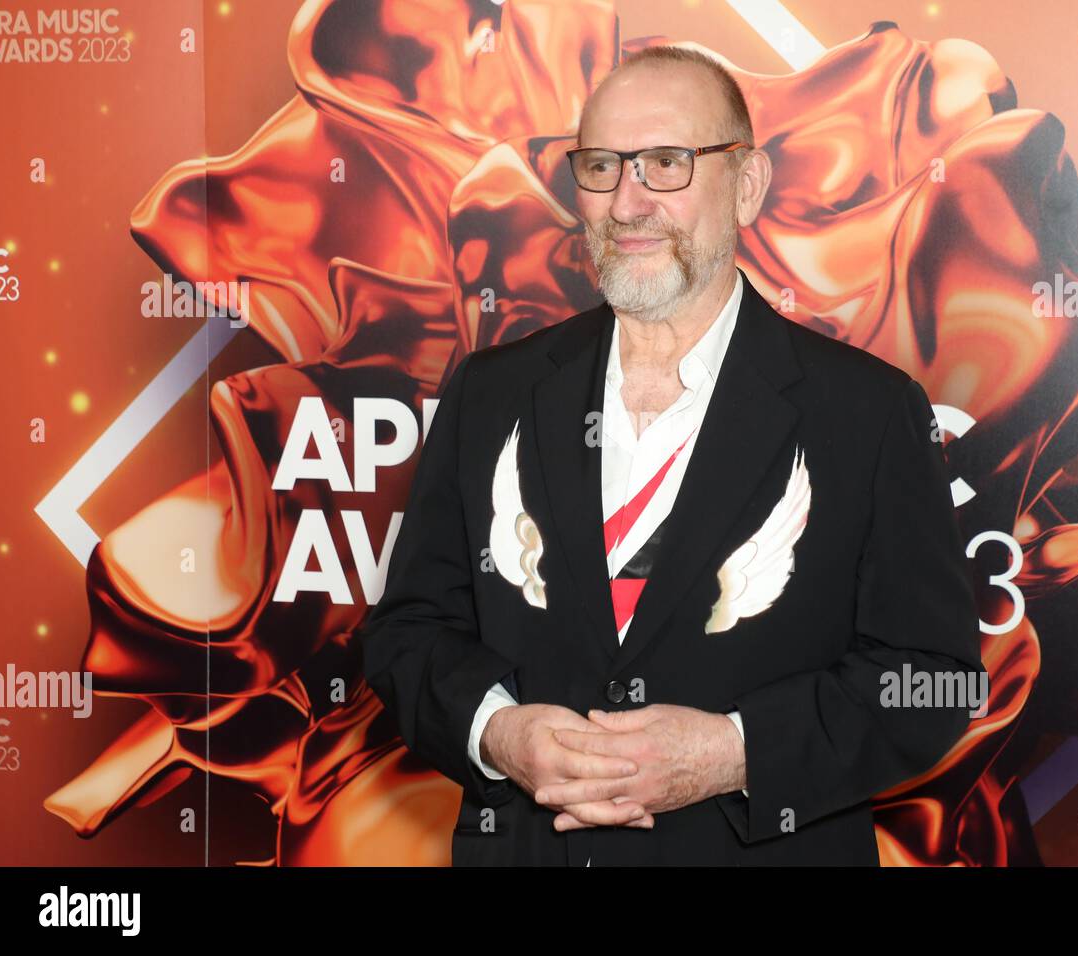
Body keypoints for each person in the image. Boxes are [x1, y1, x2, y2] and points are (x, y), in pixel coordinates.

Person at [360, 45, 985, 866]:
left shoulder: (867, 410)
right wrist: (499, 732)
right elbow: (408, 634)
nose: (628, 202)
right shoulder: (492, 392)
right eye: (601, 166)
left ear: (749, 186)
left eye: (666, 163)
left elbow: (933, 680)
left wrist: (732, 753)